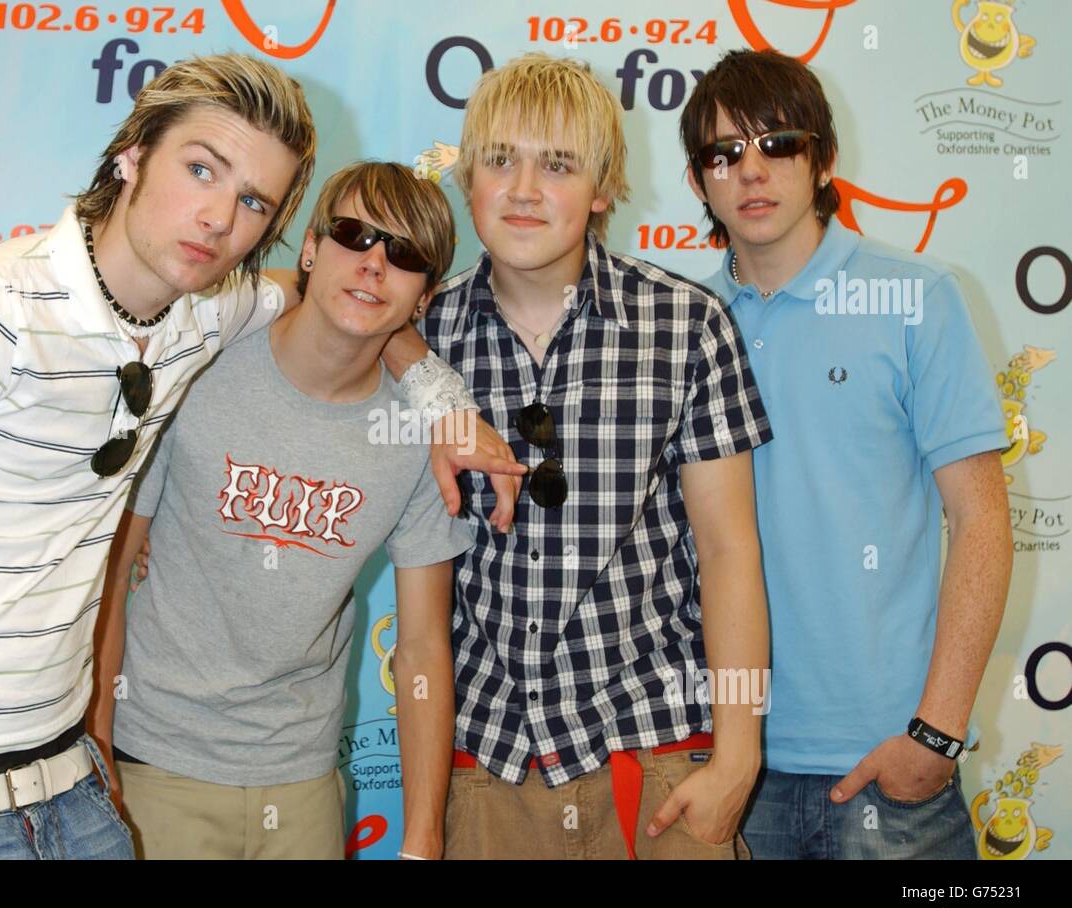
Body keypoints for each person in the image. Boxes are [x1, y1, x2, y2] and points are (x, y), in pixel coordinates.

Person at [0, 54, 513, 861]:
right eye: (201, 169)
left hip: (70, 784)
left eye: (252, 201)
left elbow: (358, 296)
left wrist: (434, 391)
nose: (218, 216)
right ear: (132, 154)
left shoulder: (202, 318)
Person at [386, 52, 773, 860]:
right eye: (501, 160)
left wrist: (739, 752)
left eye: (557, 164)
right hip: (485, 766)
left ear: (601, 190)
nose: (525, 189)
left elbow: (729, 551)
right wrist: (403, 352)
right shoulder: (420, 333)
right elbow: (296, 290)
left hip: (661, 756)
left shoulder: (687, 325)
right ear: (466, 180)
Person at [681, 48, 1013, 859]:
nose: (751, 171)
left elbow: (981, 519)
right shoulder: (683, 323)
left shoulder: (916, 297)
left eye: (778, 144)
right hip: (728, 764)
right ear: (699, 182)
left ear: (823, 158)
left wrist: (934, 735)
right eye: (725, 153)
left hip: (889, 771)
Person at [91, 162, 473, 860]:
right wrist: (97, 759)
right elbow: (111, 574)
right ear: (309, 247)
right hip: (154, 765)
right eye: (354, 235)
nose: (373, 264)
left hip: (303, 788)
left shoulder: (421, 434)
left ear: (426, 295)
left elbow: (421, 648)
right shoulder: (202, 363)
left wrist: (421, 841)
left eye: (405, 254)